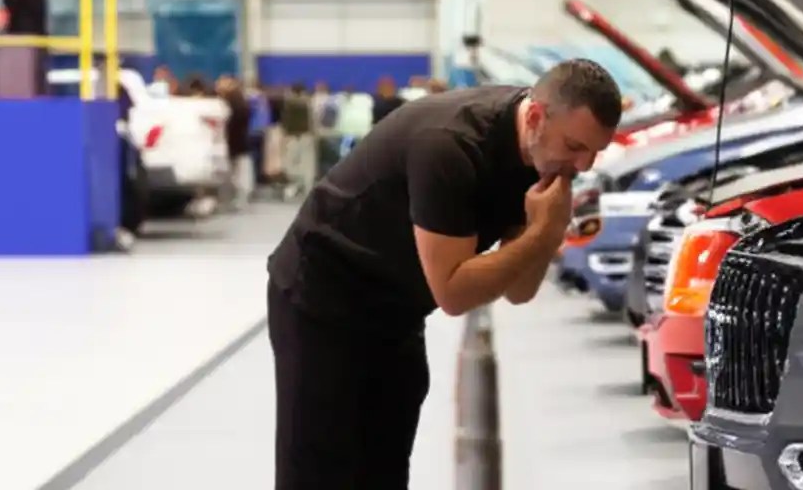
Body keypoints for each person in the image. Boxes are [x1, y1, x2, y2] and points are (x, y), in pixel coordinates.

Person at [266, 59, 622, 489]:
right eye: (574, 146)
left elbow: (519, 290)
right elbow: (453, 291)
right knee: (321, 471)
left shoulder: (540, 156)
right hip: (322, 297)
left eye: (594, 151)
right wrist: (544, 230)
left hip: (395, 309)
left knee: (383, 466)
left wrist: (545, 235)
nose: (582, 166)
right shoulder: (450, 147)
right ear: (535, 117)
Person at [218, 77, 254, 209]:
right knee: (240, 172)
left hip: (234, 143)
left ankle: (238, 197)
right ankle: (240, 197)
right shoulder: (241, 103)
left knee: (237, 172)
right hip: (239, 143)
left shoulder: (232, 104)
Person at [280, 82, 316, 198]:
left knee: (291, 163)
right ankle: (307, 188)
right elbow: (312, 121)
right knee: (307, 163)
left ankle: (294, 185)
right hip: (306, 136)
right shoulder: (309, 103)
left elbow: (286, 121)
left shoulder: (289, 103)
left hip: (293, 136)